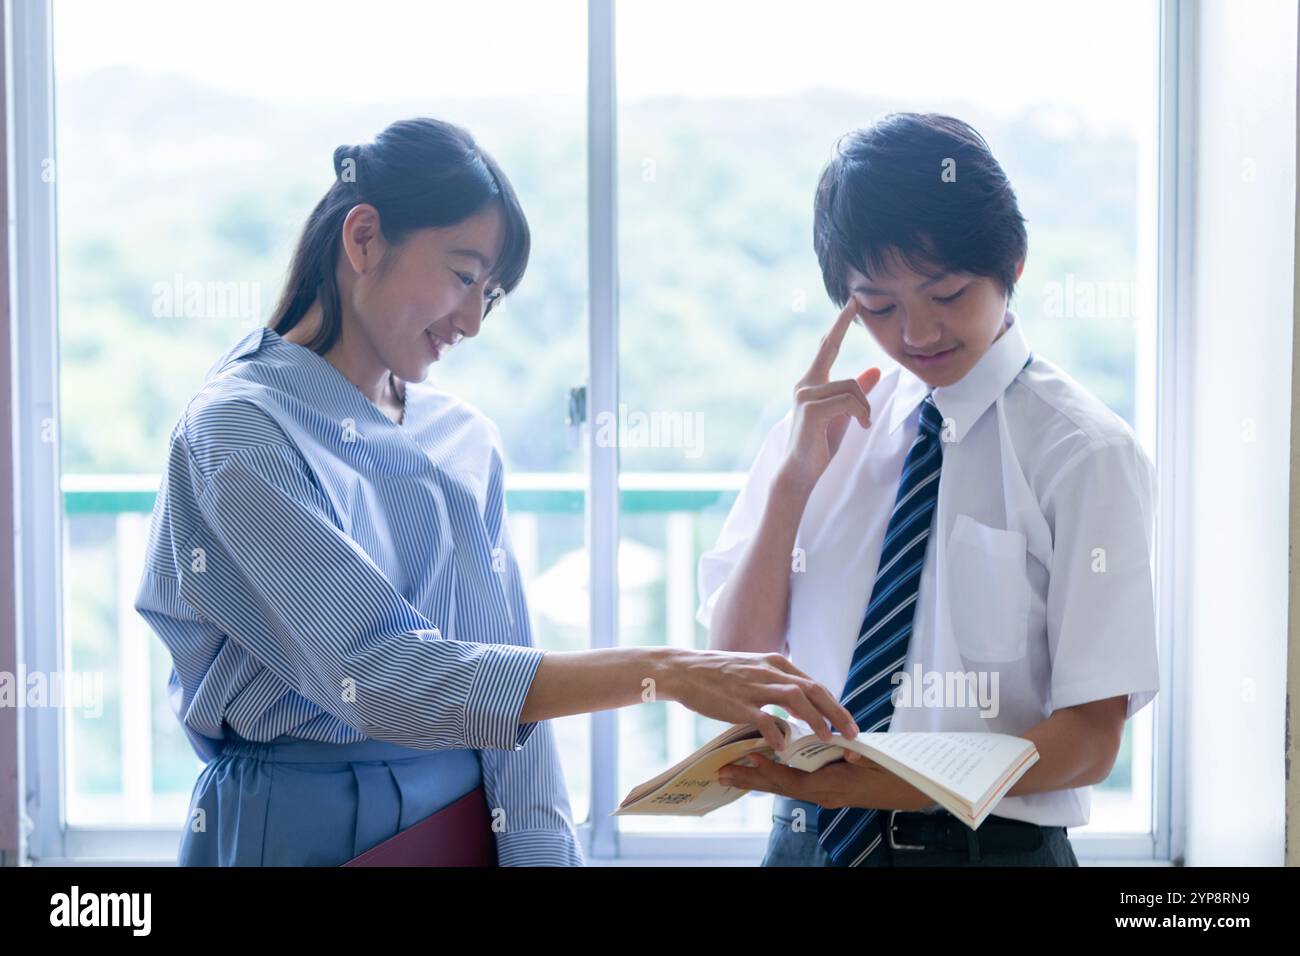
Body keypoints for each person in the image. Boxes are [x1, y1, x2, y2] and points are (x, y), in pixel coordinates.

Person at [134, 117, 856, 867]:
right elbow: (381, 675)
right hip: (299, 823)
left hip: (465, 815)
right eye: (462, 274)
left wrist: (543, 854)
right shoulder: (238, 432)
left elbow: (507, 682)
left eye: (493, 293)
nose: (474, 320)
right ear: (364, 238)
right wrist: (665, 671)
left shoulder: (463, 437)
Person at [699, 113, 1159, 867]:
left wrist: (899, 783)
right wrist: (792, 481)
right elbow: (738, 662)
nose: (916, 332)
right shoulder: (824, 426)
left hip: (984, 851)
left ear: (1011, 261)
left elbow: (1090, 740)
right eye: (877, 306)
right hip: (804, 843)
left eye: (945, 292)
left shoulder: (1084, 452)